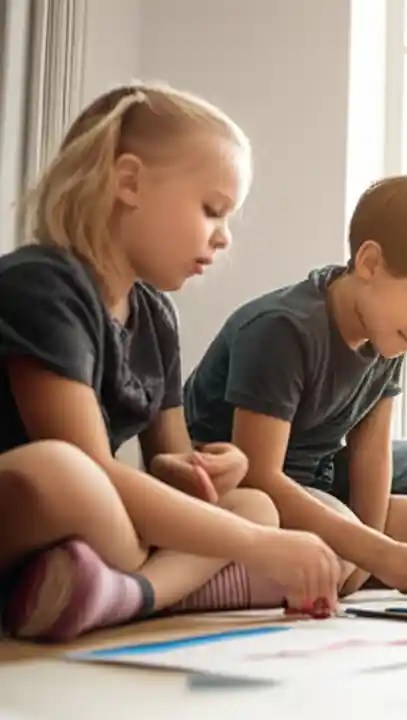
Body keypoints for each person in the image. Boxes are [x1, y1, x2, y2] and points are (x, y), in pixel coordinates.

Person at [0, 84, 340, 641]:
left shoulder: (155, 316)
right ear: (129, 182)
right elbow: (89, 464)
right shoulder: (42, 285)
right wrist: (255, 547)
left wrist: (207, 468)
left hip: (98, 525)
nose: (224, 237)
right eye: (212, 210)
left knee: (253, 503)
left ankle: (129, 595)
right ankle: (145, 588)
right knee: (66, 475)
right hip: (47, 502)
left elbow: (170, 459)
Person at [184, 174, 407, 595]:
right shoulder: (283, 329)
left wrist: (375, 548)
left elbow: (371, 454)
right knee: (349, 558)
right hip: (254, 487)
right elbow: (259, 474)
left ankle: (355, 549)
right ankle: (343, 550)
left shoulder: (390, 335)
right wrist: (378, 553)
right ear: (369, 264)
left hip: (320, 473)